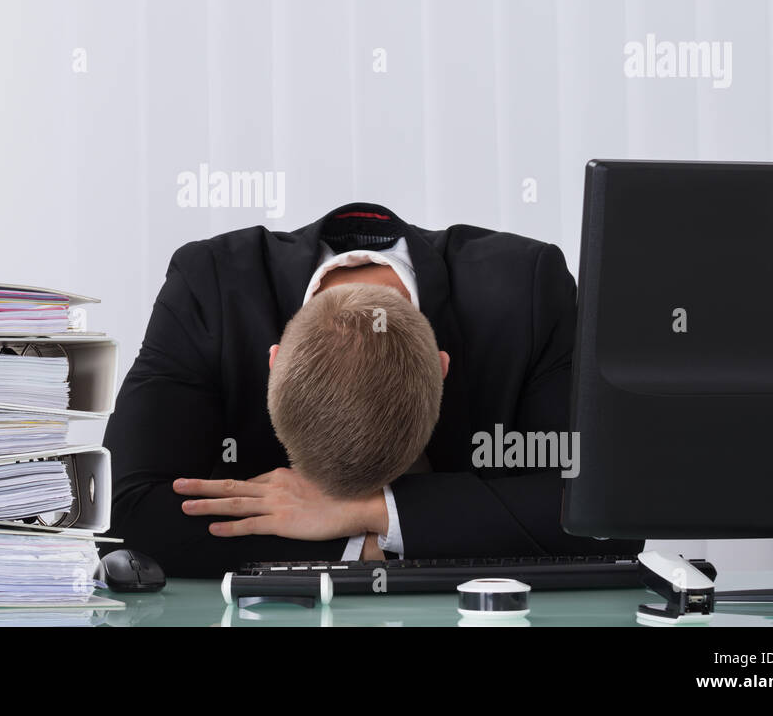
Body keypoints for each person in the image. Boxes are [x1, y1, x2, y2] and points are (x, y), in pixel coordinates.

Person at [102, 201, 641, 577]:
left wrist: (373, 512)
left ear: (442, 368)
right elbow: (129, 509)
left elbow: (608, 514)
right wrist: (368, 546)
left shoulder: (527, 286)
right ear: (275, 363)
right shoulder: (209, 284)